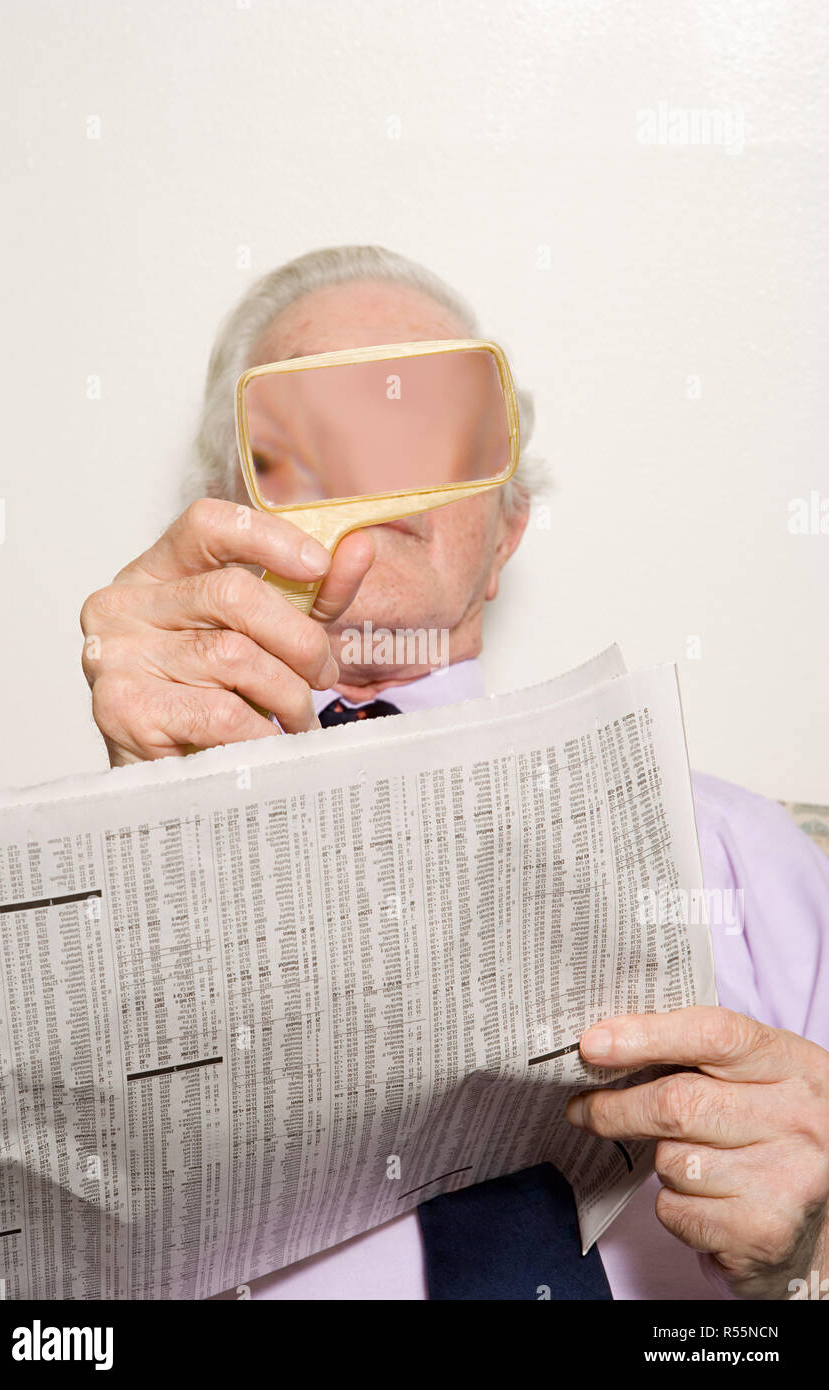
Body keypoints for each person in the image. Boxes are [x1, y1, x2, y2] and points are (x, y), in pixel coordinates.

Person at [80, 245, 829, 1301]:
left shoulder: (754, 861)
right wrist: (137, 821)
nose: (375, 469)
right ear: (228, 516)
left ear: (508, 525)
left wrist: (818, 1259)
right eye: (310, 437)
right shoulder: (92, 882)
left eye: (429, 425)